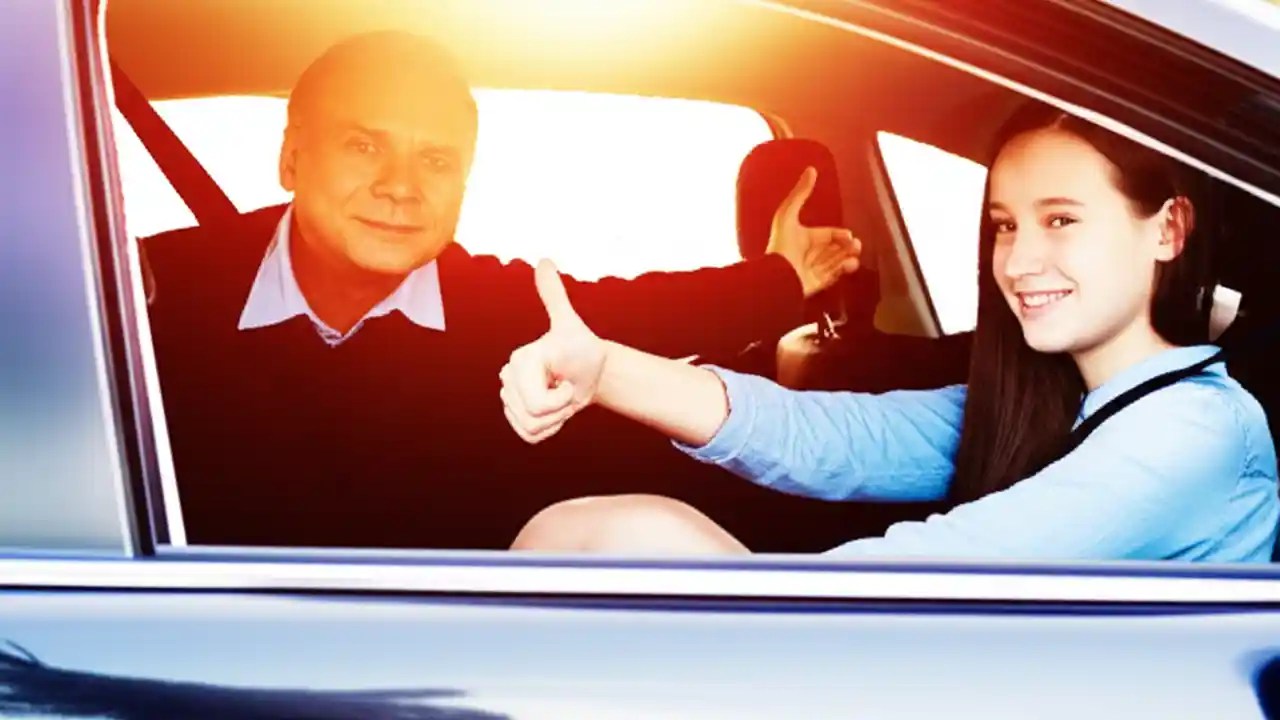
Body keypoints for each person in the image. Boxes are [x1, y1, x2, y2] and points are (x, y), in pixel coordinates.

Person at [141, 31, 859, 549]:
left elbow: (648, 309)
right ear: (291, 156)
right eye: (363, 145)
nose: (399, 187)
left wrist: (783, 276)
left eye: (436, 160)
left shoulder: (507, 313)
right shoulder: (150, 294)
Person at [499, 102, 1280, 562]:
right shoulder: (1045, 402)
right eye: (1005, 227)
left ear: (1168, 230)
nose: (1019, 260)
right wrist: (602, 371)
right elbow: (827, 438)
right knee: (593, 527)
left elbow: (954, 572)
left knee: (636, 534)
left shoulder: (1199, 428)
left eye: (1062, 221)